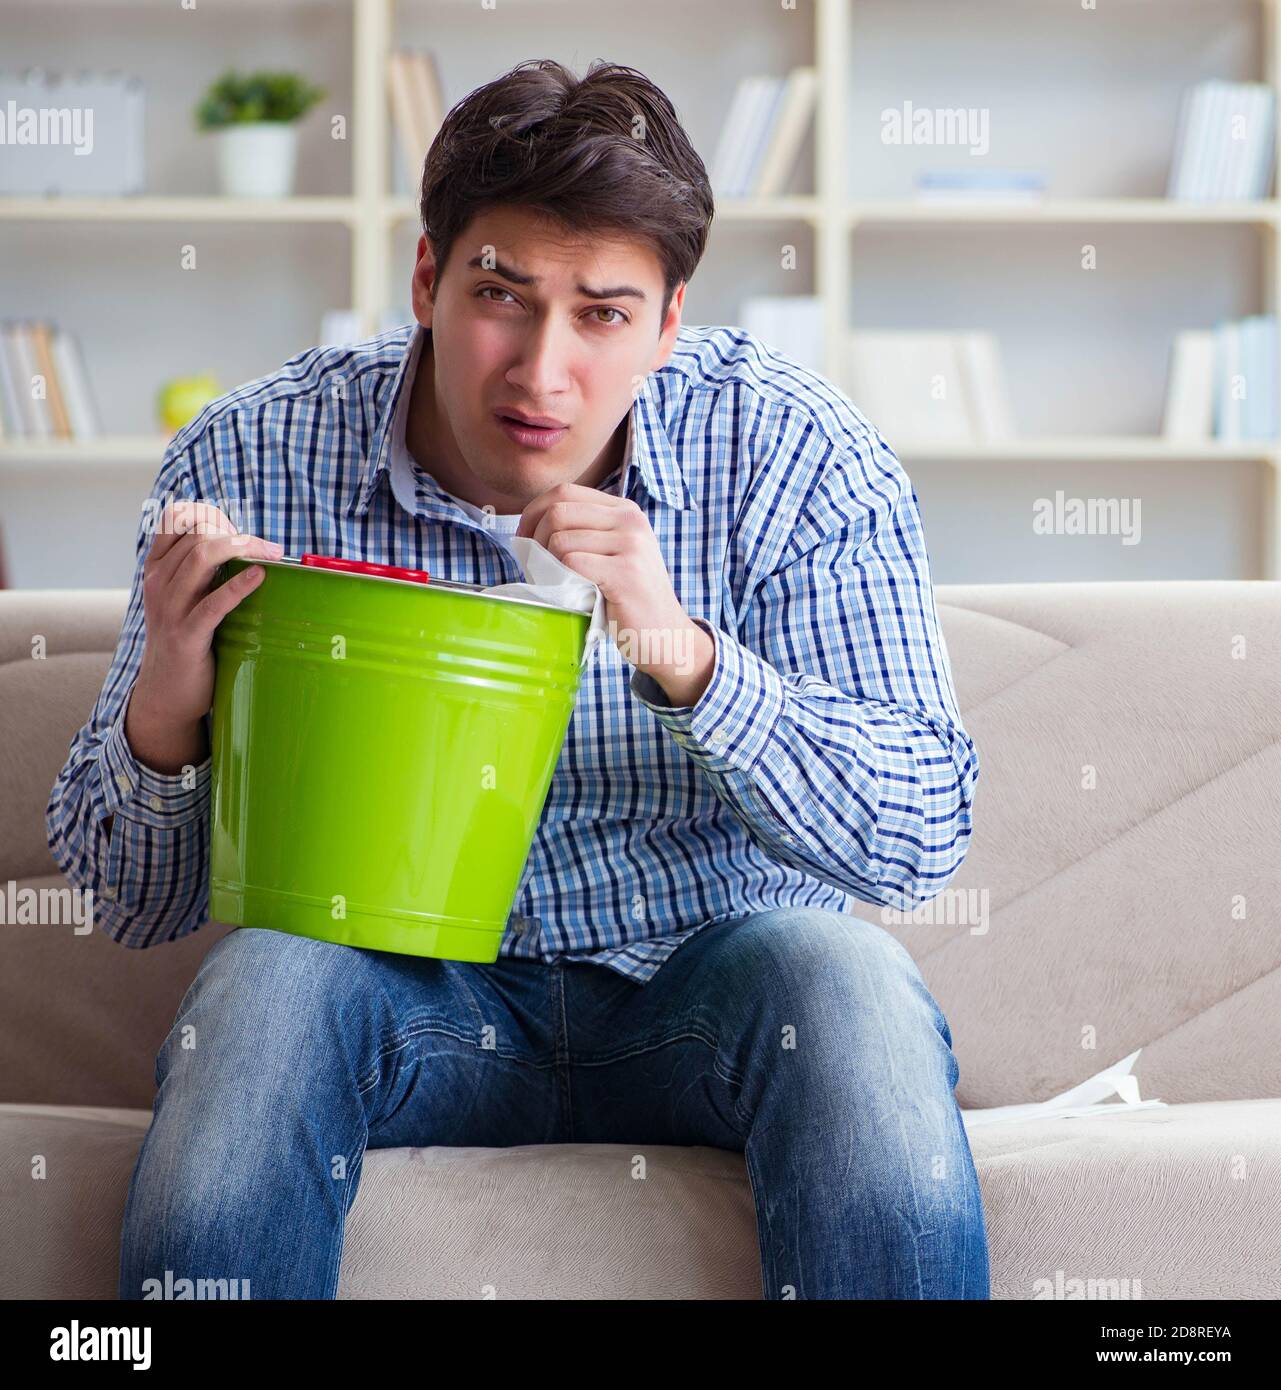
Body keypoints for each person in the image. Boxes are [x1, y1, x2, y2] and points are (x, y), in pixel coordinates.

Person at [46, 58, 989, 1300]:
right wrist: (171, 700)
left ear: (667, 324)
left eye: (603, 313)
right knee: (266, 979)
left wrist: (684, 653)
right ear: (430, 280)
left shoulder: (794, 451)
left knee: (848, 977)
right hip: (397, 997)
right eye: (503, 295)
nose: (541, 371)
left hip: (706, 990)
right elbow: (128, 904)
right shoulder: (254, 454)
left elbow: (921, 830)